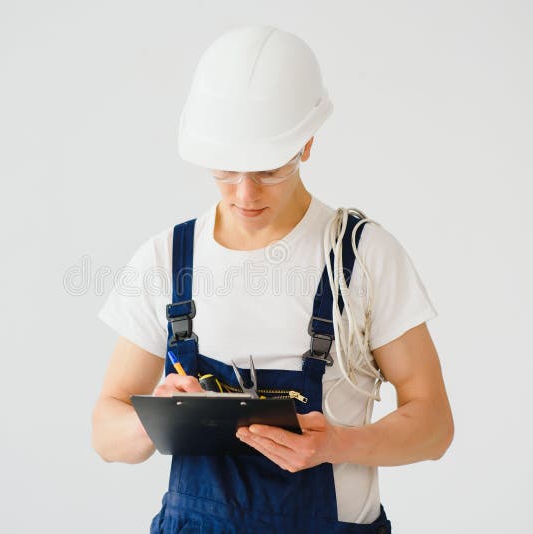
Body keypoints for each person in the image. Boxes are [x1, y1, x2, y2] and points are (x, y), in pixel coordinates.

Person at [91, 25, 454, 533]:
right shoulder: (167, 259)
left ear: (307, 142)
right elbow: (106, 433)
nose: (244, 193)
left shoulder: (362, 256)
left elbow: (434, 426)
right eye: (225, 169)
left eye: (267, 169)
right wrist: (165, 418)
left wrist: (336, 443)